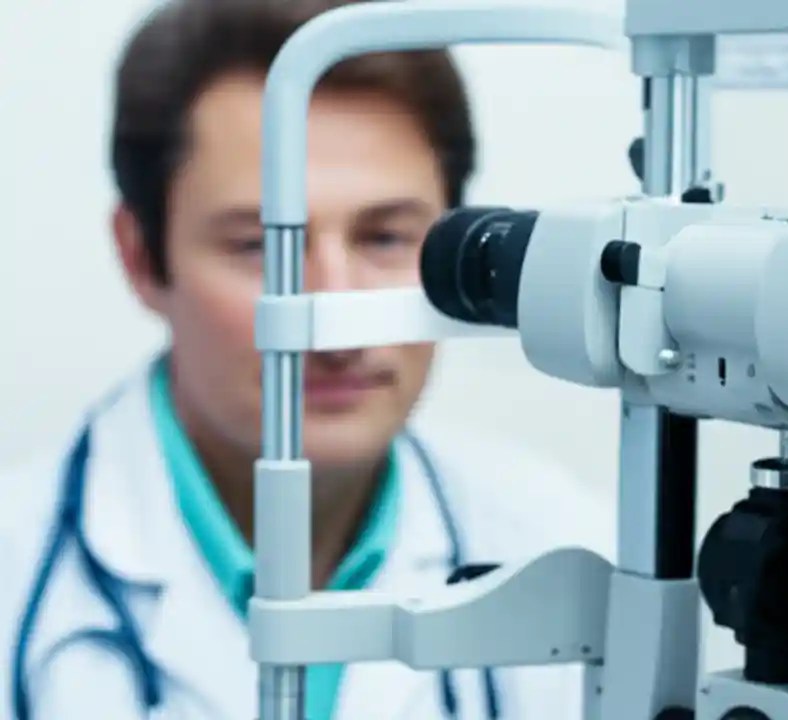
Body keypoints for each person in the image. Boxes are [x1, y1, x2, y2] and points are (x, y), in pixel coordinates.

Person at [0, 0, 612, 718]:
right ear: (141, 257)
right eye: (261, 246)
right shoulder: (18, 572)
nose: (332, 322)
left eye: (385, 237)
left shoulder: (569, 556)